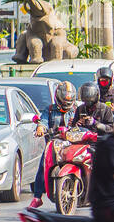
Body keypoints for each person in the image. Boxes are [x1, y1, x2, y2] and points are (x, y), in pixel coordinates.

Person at [27, 81, 80, 210]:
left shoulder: (76, 110)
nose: (66, 104)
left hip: (71, 143)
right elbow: (43, 121)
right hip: (54, 143)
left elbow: (80, 123)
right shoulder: (49, 109)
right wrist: (40, 128)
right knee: (42, 166)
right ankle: (37, 197)